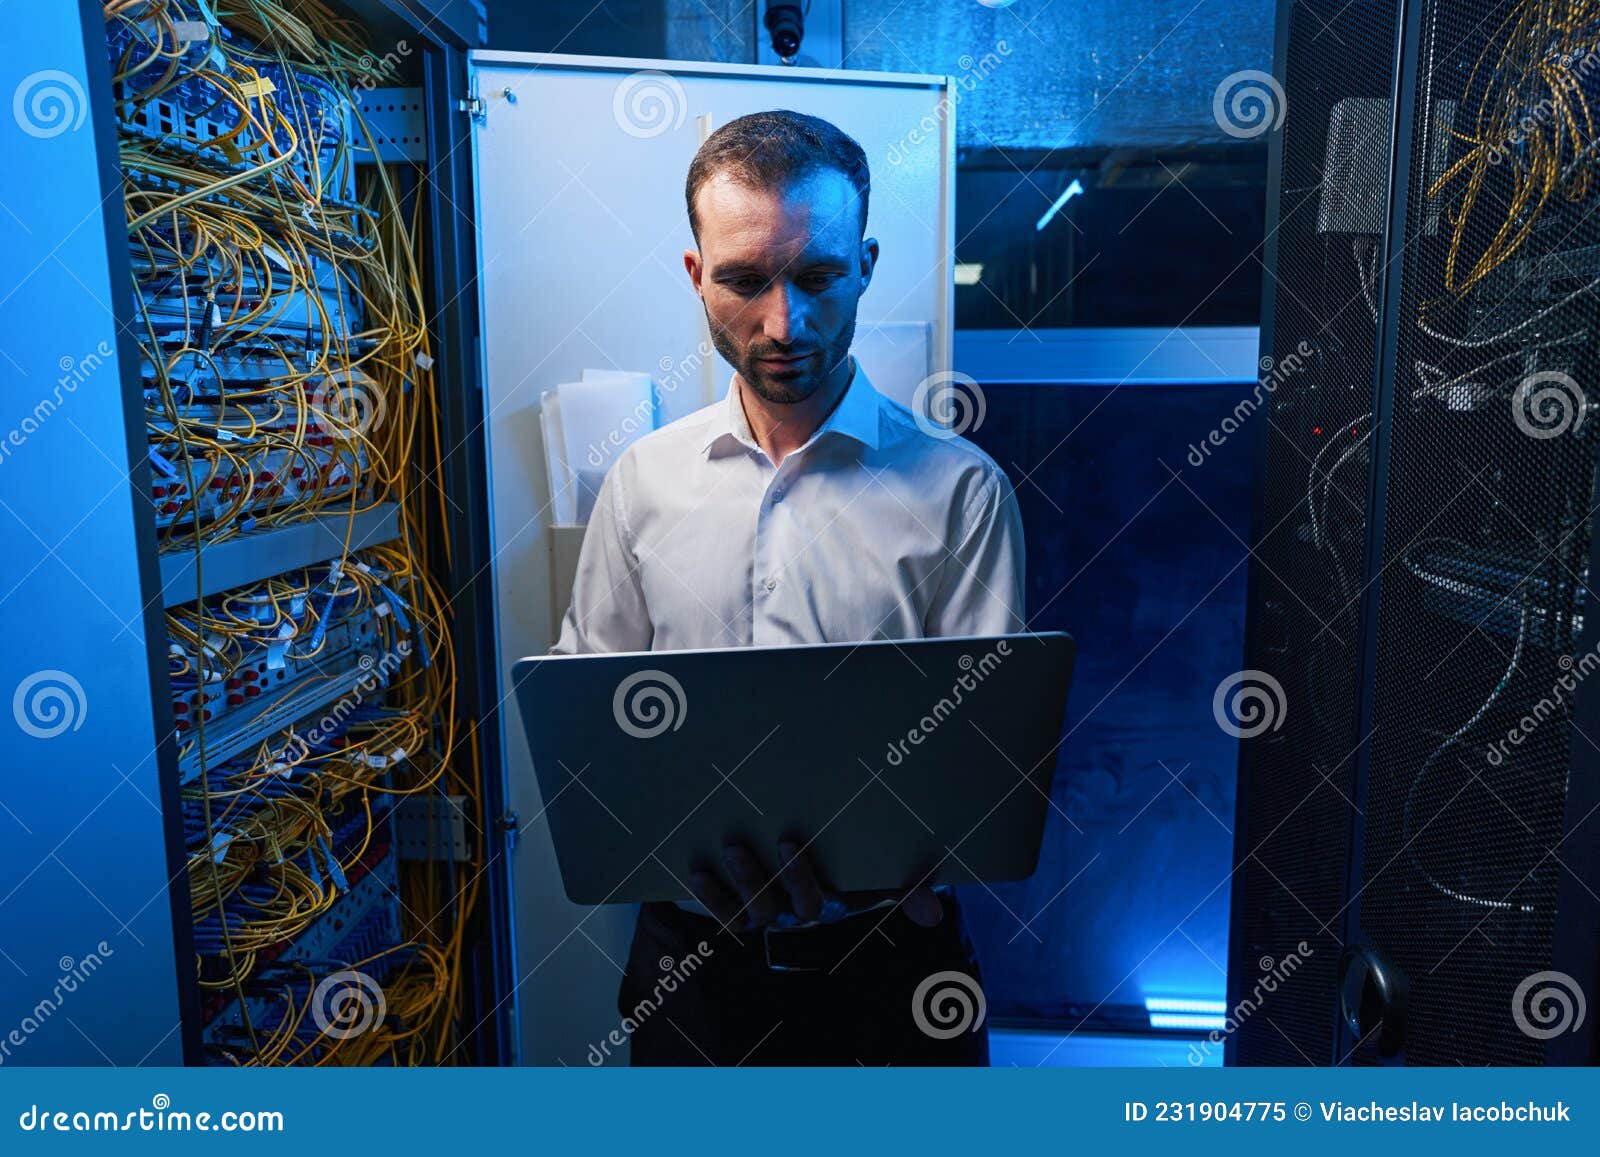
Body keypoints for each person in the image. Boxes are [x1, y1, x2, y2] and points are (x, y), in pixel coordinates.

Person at [551, 109, 1025, 1065]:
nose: (783, 323)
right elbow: (588, 729)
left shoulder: (961, 489)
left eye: (816, 277)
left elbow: (986, 772)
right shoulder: (640, 483)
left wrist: (889, 874)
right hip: (691, 968)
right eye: (743, 280)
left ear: (866, 264)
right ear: (697, 275)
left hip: (894, 970)